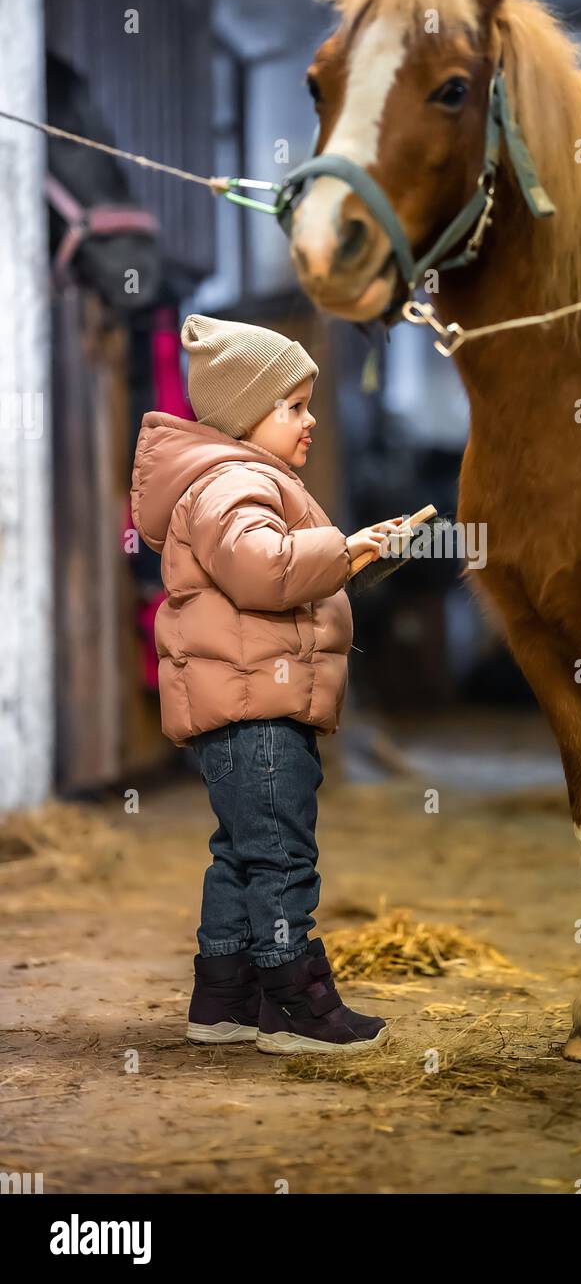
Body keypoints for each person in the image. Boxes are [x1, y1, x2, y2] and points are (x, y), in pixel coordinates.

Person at [130, 314, 403, 1054]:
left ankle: (224, 997)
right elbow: (260, 569)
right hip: (257, 715)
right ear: (247, 411)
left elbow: (276, 568)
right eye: (294, 406)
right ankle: (294, 1003)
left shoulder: (239, 478)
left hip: (246, 707)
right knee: (281, 857)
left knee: (242, 852)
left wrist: (351, 557)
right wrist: (338, 548)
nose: (309, 421)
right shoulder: (234, 481)